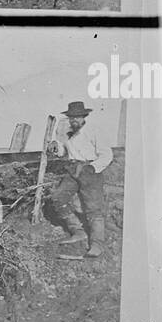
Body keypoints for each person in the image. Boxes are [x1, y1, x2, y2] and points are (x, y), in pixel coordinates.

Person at [48, 101, 113, 258]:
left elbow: (107, 154)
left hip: (90, 170)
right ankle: (77, 230)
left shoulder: (94, 130)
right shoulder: (69, 133)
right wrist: (56, 148)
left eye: (76, 118)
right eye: (71, 118)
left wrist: (92, 168)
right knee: (58, 198)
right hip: (72, 169)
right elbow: (65, 152)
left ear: (84, 116)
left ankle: (97, 245)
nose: (73, 121)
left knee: (93, 208)